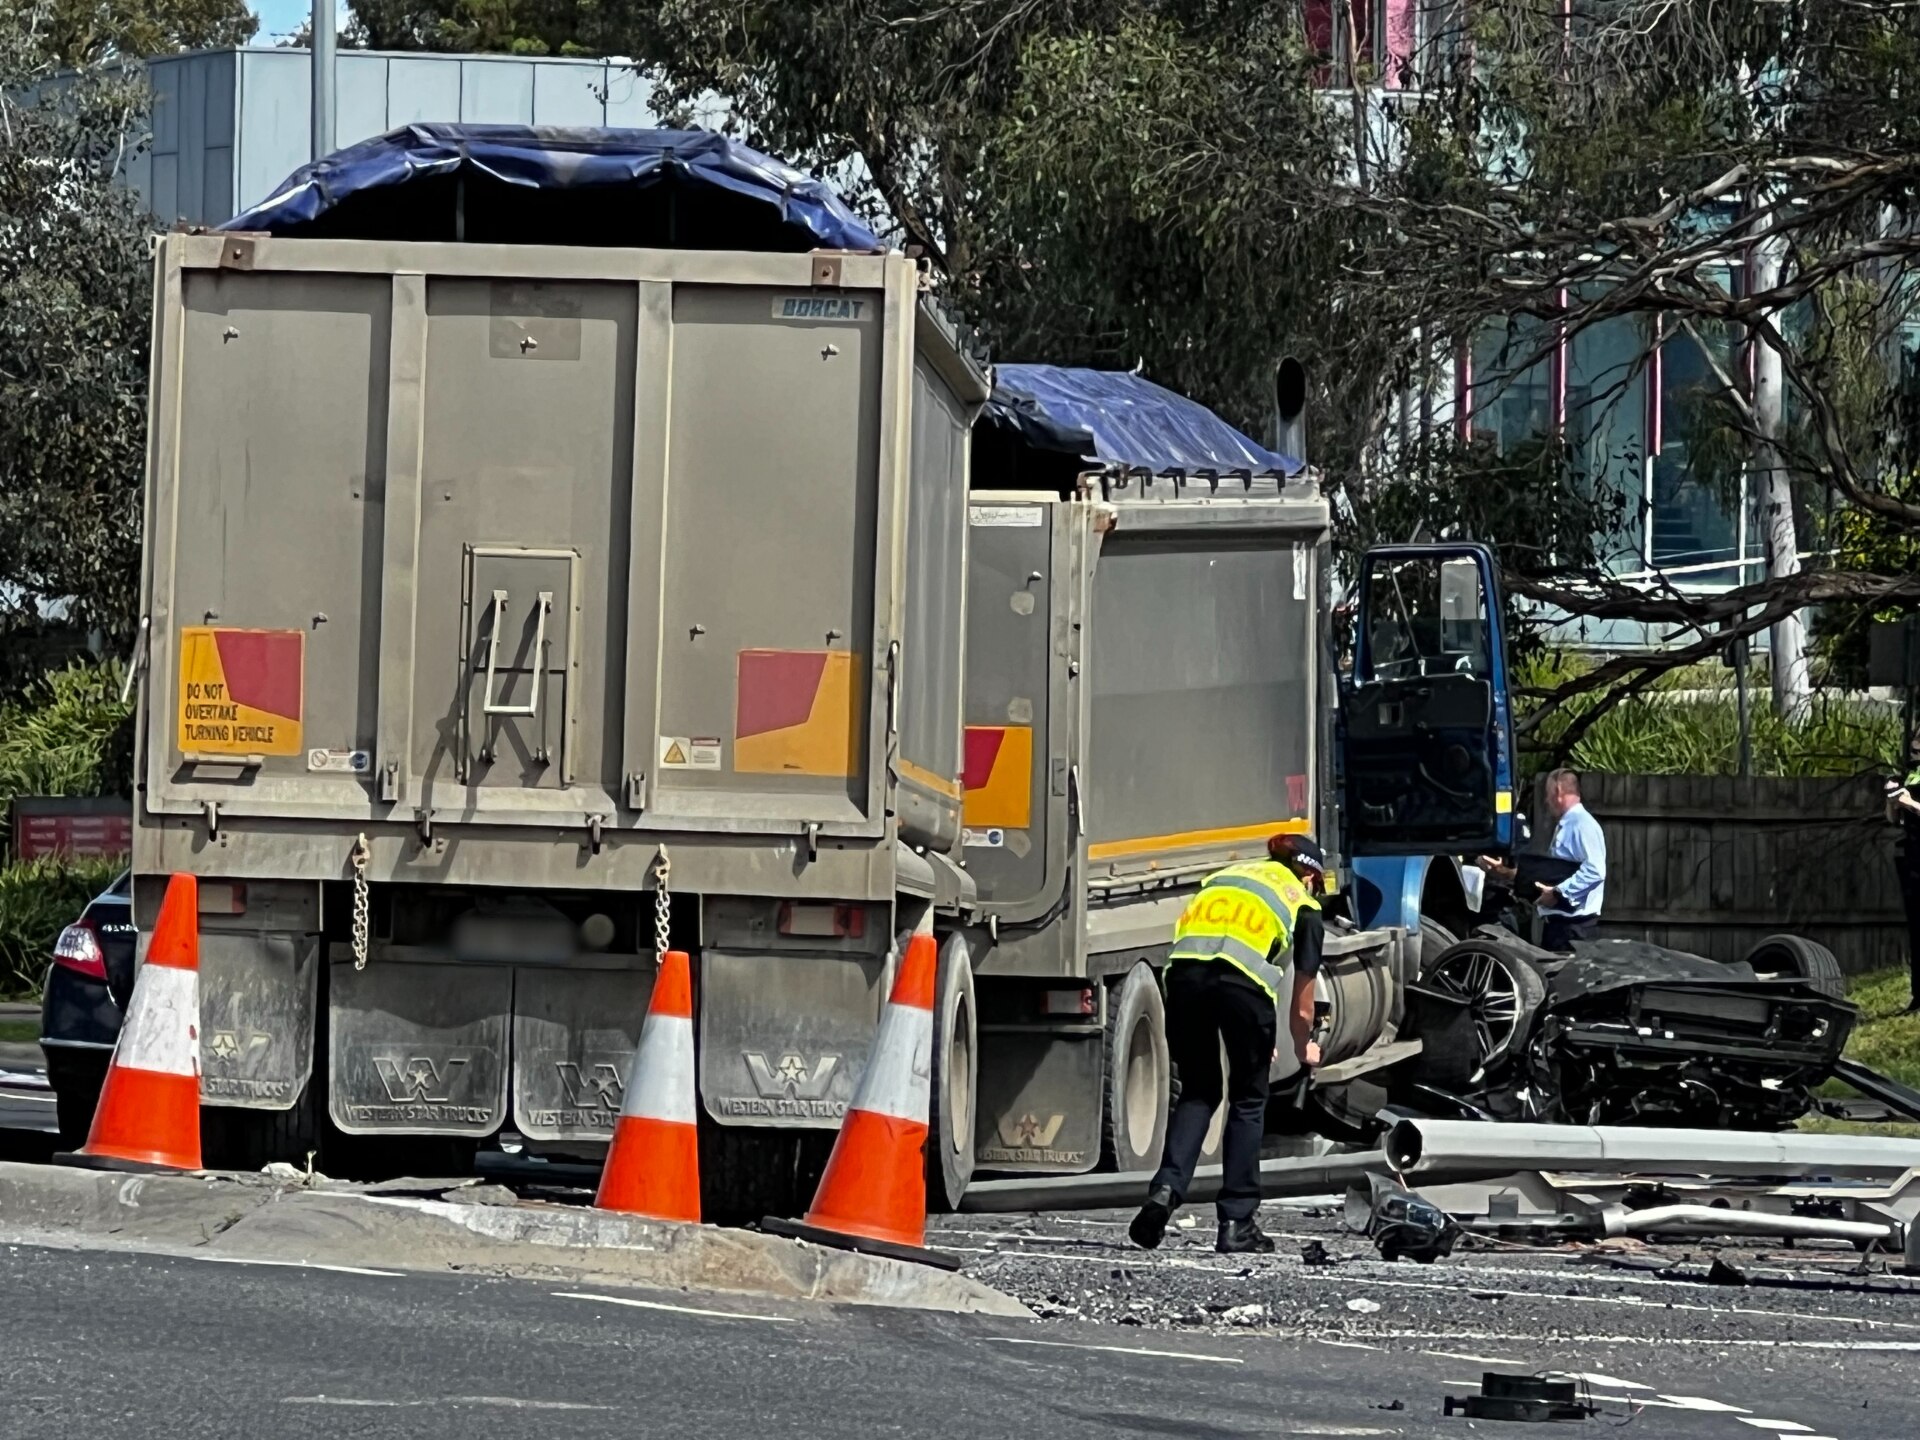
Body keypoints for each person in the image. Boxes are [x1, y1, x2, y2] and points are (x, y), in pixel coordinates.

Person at [1129, 833, 1327, 1256]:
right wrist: (1303, 1047)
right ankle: (1237, 1221)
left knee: (1199, 1092)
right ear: (1310, 875)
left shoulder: (1228, 877)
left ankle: (1164, 1192)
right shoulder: (1303, 903)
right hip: (1243, 990)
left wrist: (1256, 1034)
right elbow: (1303, 1003)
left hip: (1183, 981)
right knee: (1248, 1100)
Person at [1479, 768, 1606, 951]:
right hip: (1561, 926)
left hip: (1574, 930)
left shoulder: (1582, 824)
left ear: (1558, 791)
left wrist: (1558, 893)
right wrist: (1504, 873)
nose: (1546, 800)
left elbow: (1595, 870)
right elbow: (1556, 872)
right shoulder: (1570, 823)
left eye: (1548, 794)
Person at [1884, 737, 1920, 1012]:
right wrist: (1892, 801)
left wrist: (1910, 803)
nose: (1916, 745)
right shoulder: (1910, 774)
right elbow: (1892, 819)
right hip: (1912, 858)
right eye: (1915, 739)